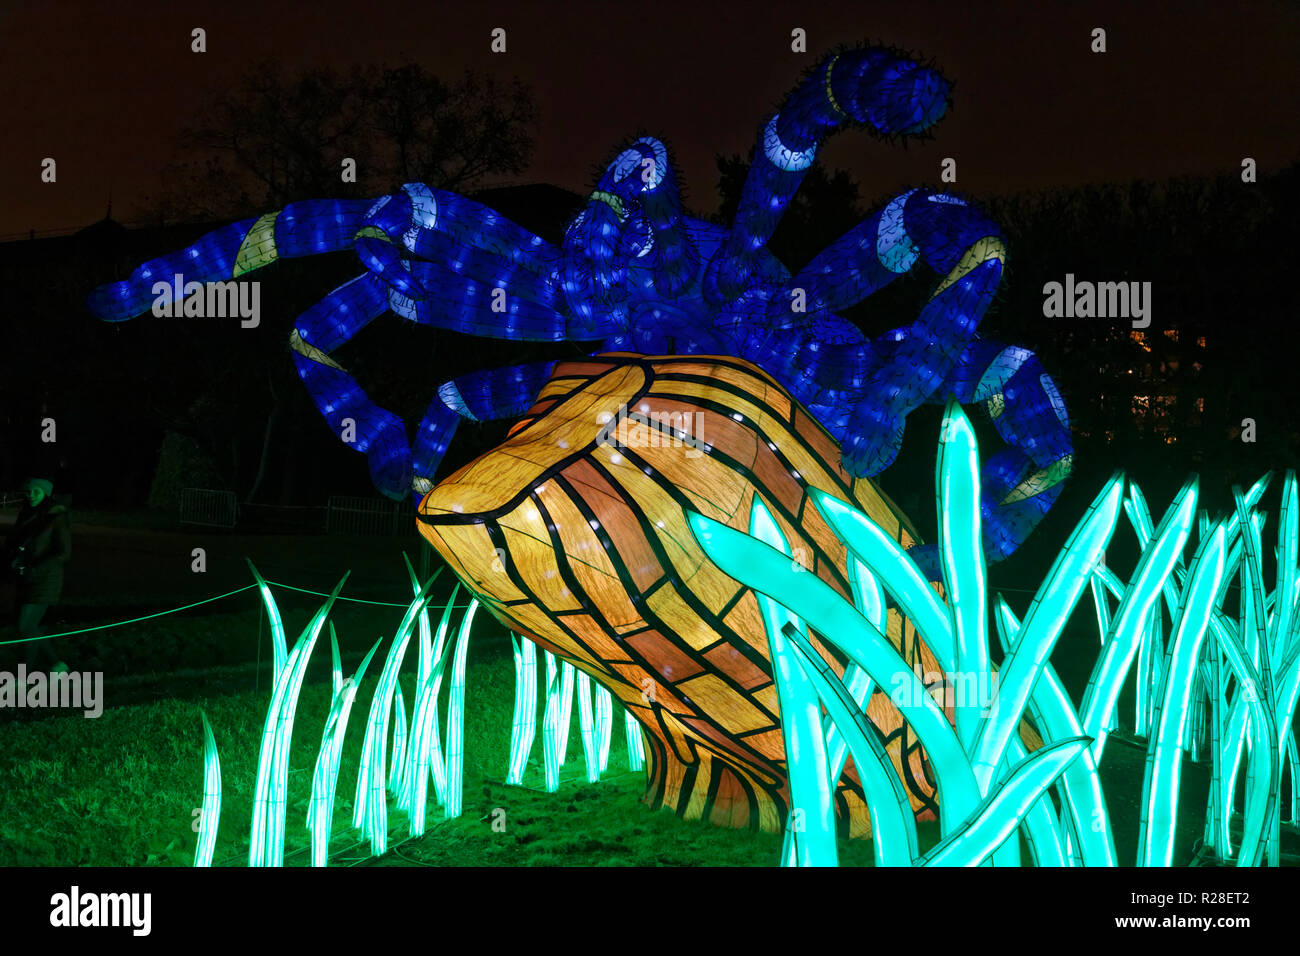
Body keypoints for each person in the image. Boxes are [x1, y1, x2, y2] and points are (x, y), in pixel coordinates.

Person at [2, 478, 72, 672]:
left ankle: (23, 676)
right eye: (29, 491)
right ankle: (57, 665)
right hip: (25, 578)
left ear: (46, 494)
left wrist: (35, 568)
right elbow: (15, 543)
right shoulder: (27, 514)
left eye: (36, 492)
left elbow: (63, 553)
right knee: (29, 627)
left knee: (26, 626)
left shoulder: (56, 517)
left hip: (45, 580)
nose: (31, 495)